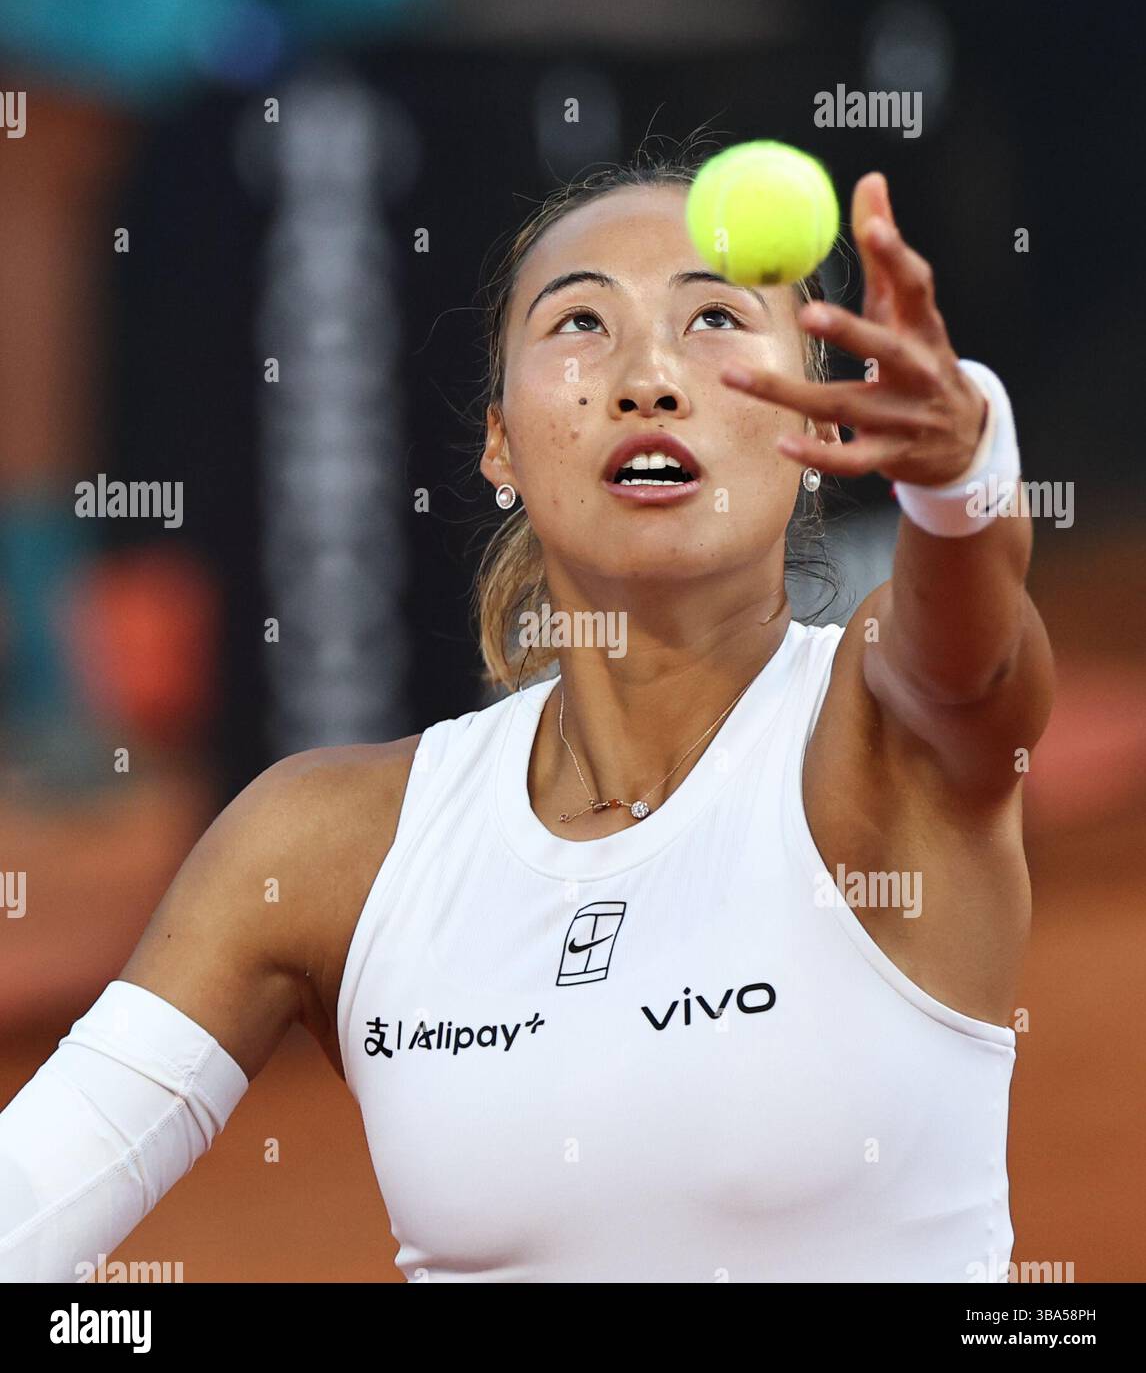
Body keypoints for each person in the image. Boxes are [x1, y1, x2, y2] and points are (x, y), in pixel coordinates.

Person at [0, 149, 1054, 1283]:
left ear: (820, 424)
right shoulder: (324, 844)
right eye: (581, 324)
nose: (647, 375)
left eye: (713, 318)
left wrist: (964, 476)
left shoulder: (883, 738)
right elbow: (32, 1196)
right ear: (499, 442)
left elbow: (973, 661)